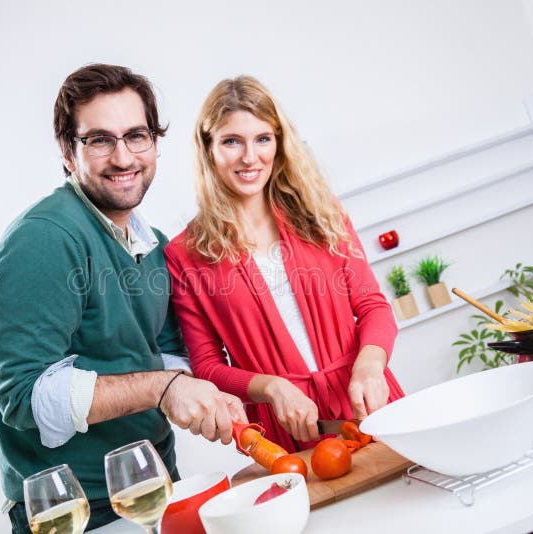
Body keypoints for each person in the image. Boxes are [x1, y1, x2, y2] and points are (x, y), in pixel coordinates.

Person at [0, 64, 246, 533]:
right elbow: (24, 398)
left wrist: (206, 392)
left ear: (155, 143)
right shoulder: (43, 239)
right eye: (100, 139)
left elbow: (164, 357)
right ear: (68, 152)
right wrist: (161, 390)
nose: (123, 157)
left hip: (155, 488)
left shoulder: (153, 245)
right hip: (76, 513)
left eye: (136, 135)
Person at [164, 75, 405, 453]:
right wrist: (272, 388)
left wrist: (370, 365)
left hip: (368, 406)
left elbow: (372, 306)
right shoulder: (185, 255)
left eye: (262, 139)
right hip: (289, 429)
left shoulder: (321, 215)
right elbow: (208, 365)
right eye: (231, 141)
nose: (249, 157)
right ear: (208, 148)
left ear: (279, 142)